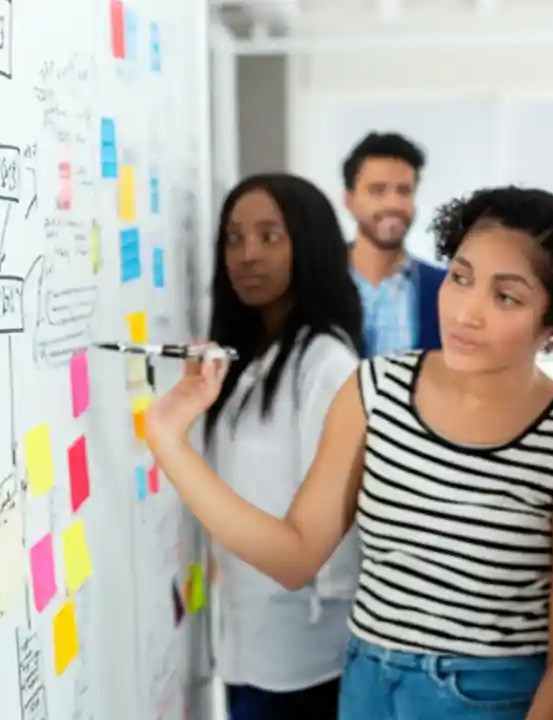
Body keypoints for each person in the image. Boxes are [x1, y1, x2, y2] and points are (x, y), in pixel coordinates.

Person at [147, 187, 553, 719]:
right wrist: (169, 441)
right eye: (461, 277)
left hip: (488, 699)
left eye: (506, 297)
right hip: (367, 686)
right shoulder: (375, 390)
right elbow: (295, 555)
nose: (468, 311)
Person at [200, 174, 365, 719]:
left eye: (270, 236)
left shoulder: (325, 364)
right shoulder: (249, 357)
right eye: (234, 237)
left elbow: (319, 542)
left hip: (307, 652)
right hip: (247, 640)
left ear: (309, 243)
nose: (247, 255)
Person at [342, 132, 446, 355]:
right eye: (378, 190)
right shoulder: (316, 282)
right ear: (350, 200)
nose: (393, 203)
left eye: (404, 191)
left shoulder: (442, 288)